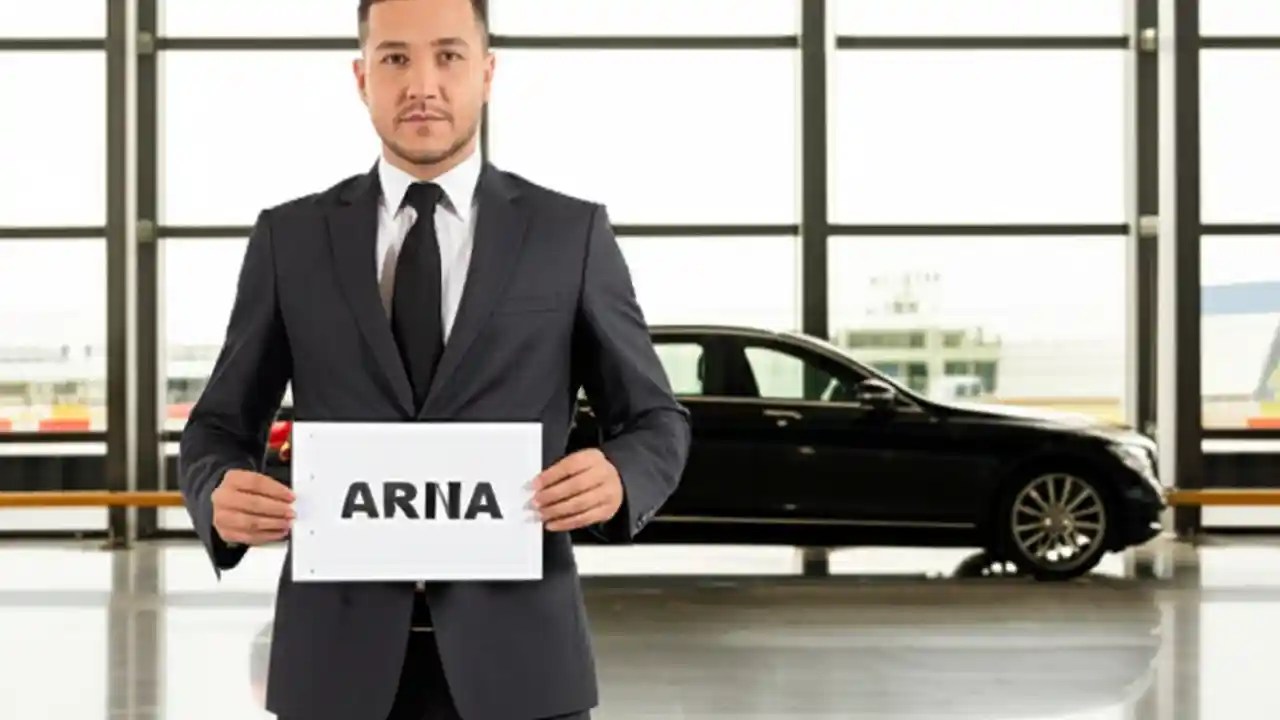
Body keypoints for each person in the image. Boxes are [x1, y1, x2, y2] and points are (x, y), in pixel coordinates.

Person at [176, 0, 691, 718]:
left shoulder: (568, 234)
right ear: (361, 78)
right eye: (395, 59)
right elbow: (215, 430)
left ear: (486, 72)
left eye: (448, 56)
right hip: (333, 669)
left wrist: (620, 476)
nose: (422, 83)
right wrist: (216, 492)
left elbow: (656, 421)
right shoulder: (288, 240)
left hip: (523, 669)